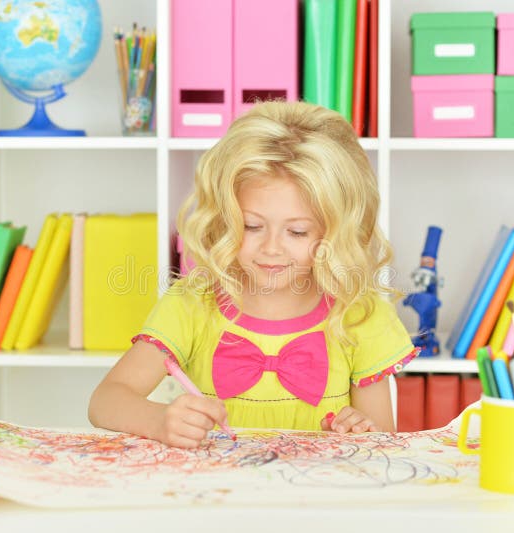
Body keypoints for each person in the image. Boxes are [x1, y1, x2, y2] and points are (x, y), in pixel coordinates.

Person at [88, 101, 419, 448]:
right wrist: (159, 421)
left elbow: (383, 442)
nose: (271, 248)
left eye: (297, 232)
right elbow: (105, 401)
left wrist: (359, 431)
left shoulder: (359, 313)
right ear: (223, 218)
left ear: (333, 231)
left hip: (317, 497)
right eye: (252, 226)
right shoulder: (192, 303)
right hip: (217, 495)